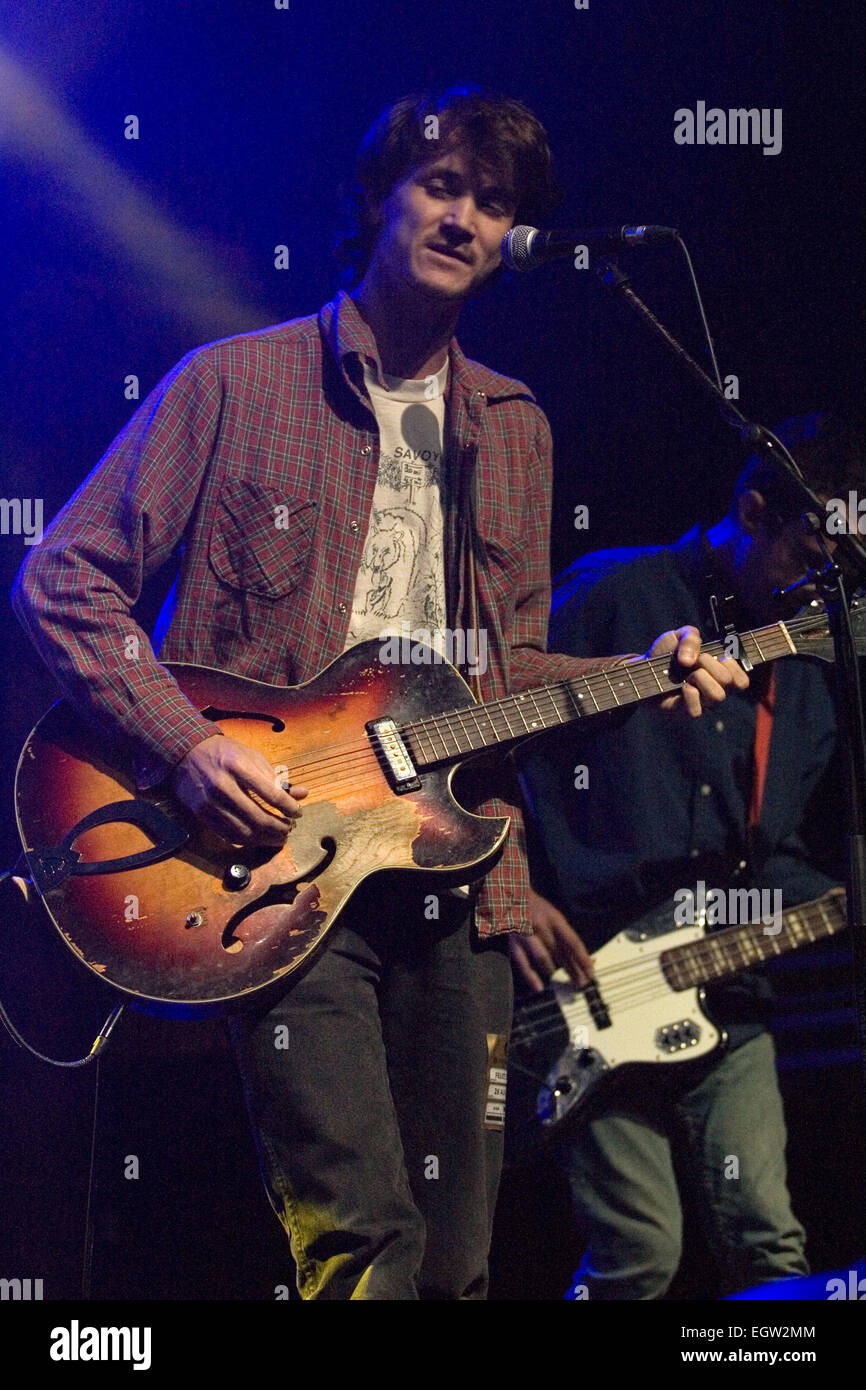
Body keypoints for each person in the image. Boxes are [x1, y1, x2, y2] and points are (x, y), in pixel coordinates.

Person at [12, 86, 741, 1300]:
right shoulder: (234, 382)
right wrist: (186, 745)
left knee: (458, 1260)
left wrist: (641, 667)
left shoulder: (512, 427)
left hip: (459, 885)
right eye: (442, 186)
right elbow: (62, 578)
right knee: (363, 1239)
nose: (466, 217)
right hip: (279, 865)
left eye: (495, 202)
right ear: (377, 200)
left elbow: (498, 678)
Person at [514, 413, 862, 1299]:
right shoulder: (615, 594)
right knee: (640, 1257)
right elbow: (483, 744)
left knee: (772, 1250)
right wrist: (510, 891)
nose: (828, 584)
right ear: (753, 510)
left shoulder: (812, 656)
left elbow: (771, 853)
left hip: (730, 996)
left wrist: (841, 898)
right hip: (586, 978)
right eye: (813, 552)